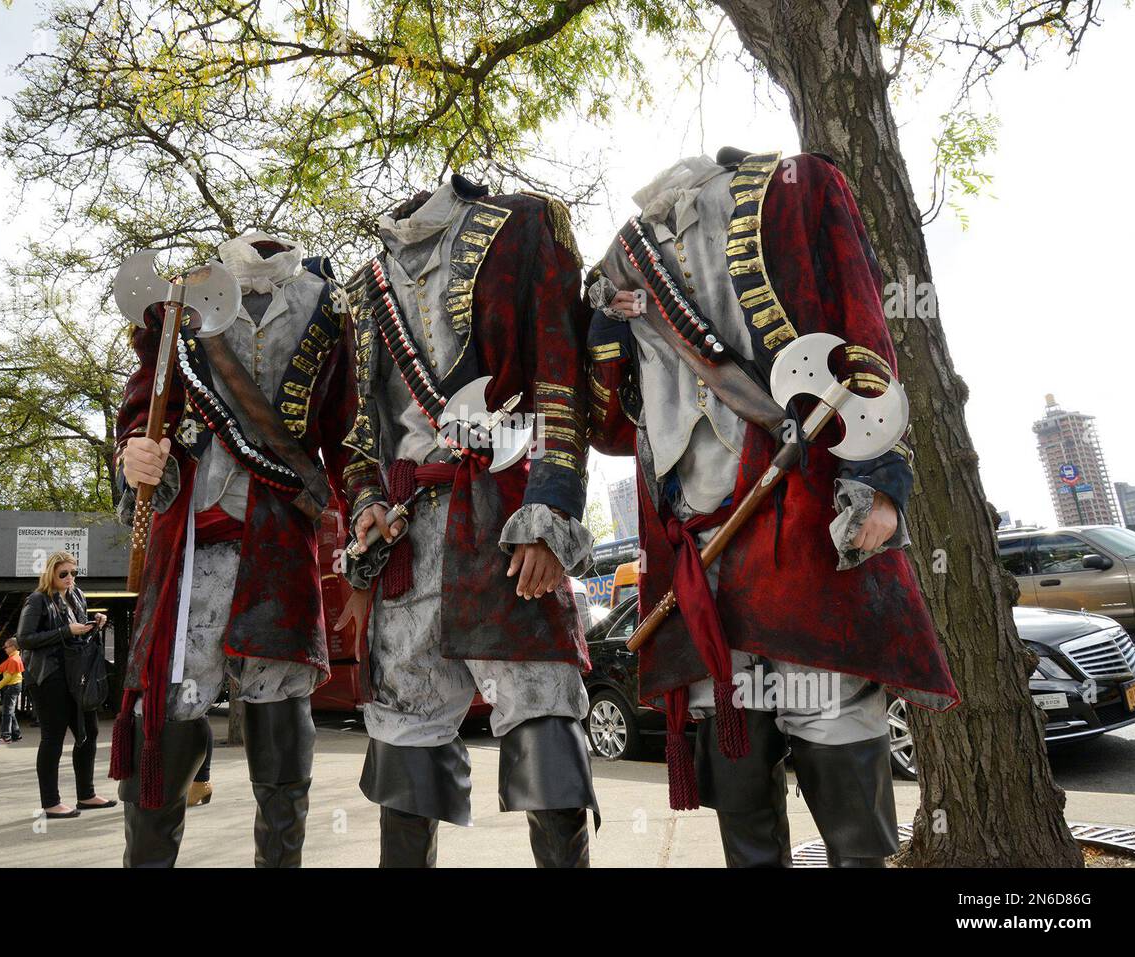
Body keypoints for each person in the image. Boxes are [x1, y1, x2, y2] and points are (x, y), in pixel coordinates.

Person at [586, 148, 960, 867]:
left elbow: (861, 332)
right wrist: (607, 318)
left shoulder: (791, 190)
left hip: (799, 516)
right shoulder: (625, 262)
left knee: (841, 753)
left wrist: (879, 478)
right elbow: (607, 425)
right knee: (741, 791)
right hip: (696, 552)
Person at [338, 176, 597, 867]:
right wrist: (364, 505)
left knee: (548, 744)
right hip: (409, 539)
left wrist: (548, 514)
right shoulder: (365, 286)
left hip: (504, 522)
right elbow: (362, 436)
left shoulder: (519, 226)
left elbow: (558, 381)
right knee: (405, 766)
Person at [111, 233, 356, 867]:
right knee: (163, 722)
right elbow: (144, 405)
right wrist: (133, 451)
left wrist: (363, 528)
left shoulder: (329, 305)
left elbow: (347, 431)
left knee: (280, 728)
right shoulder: (182, 299)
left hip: (279, 547)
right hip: (190, 546)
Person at [16, 551, 116, 819]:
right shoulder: (37, 600)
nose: (70, 578)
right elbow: (24, 639)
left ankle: (86, 794)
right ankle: (50, 802)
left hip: (76, 673)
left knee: (89, 733)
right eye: (64, 573)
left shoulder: (76, 596)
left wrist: (93, 624)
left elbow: (76, 634)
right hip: (48, 677)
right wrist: (65, 631)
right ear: (51, 573)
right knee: (53, 738)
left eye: (74, 572)